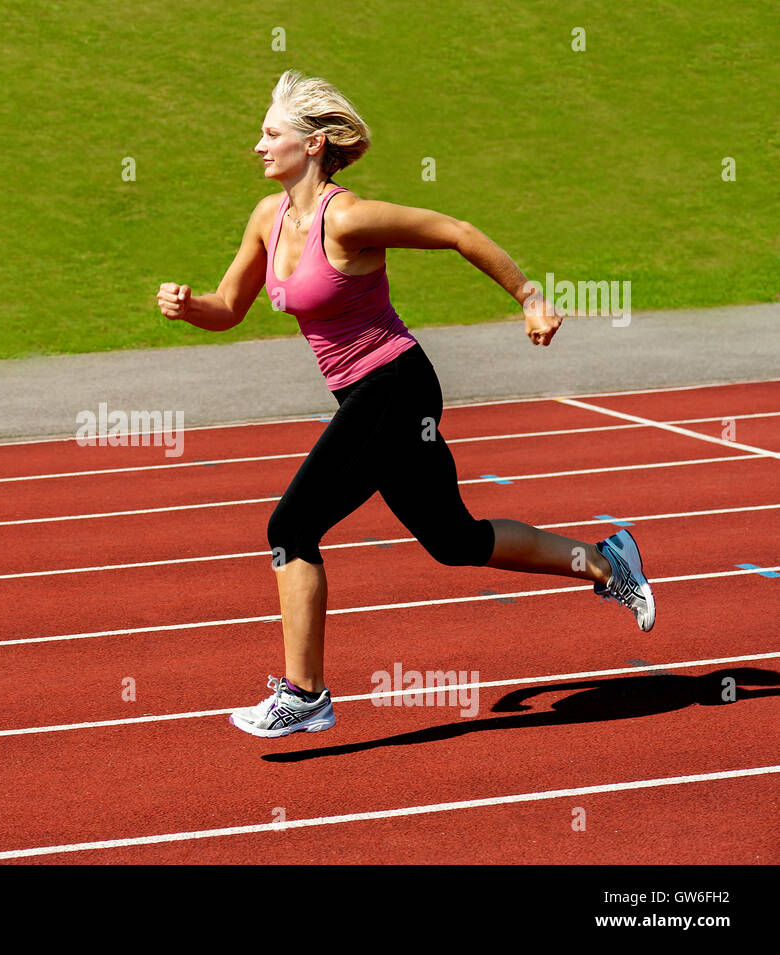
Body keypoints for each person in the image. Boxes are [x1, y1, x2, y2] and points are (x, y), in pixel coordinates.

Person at [155, 70, 655, 739]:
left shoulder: (351, 217)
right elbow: (228, 306)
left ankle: (305, 693)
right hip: (371, 395)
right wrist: (192, 309)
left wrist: (529, 297)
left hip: (395, 386)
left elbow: (455, 229)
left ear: (313, 143)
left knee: (290, 528)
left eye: (271, 133)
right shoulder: (268, 219)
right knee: (455, 541)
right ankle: (606, 560)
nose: (258, 145)